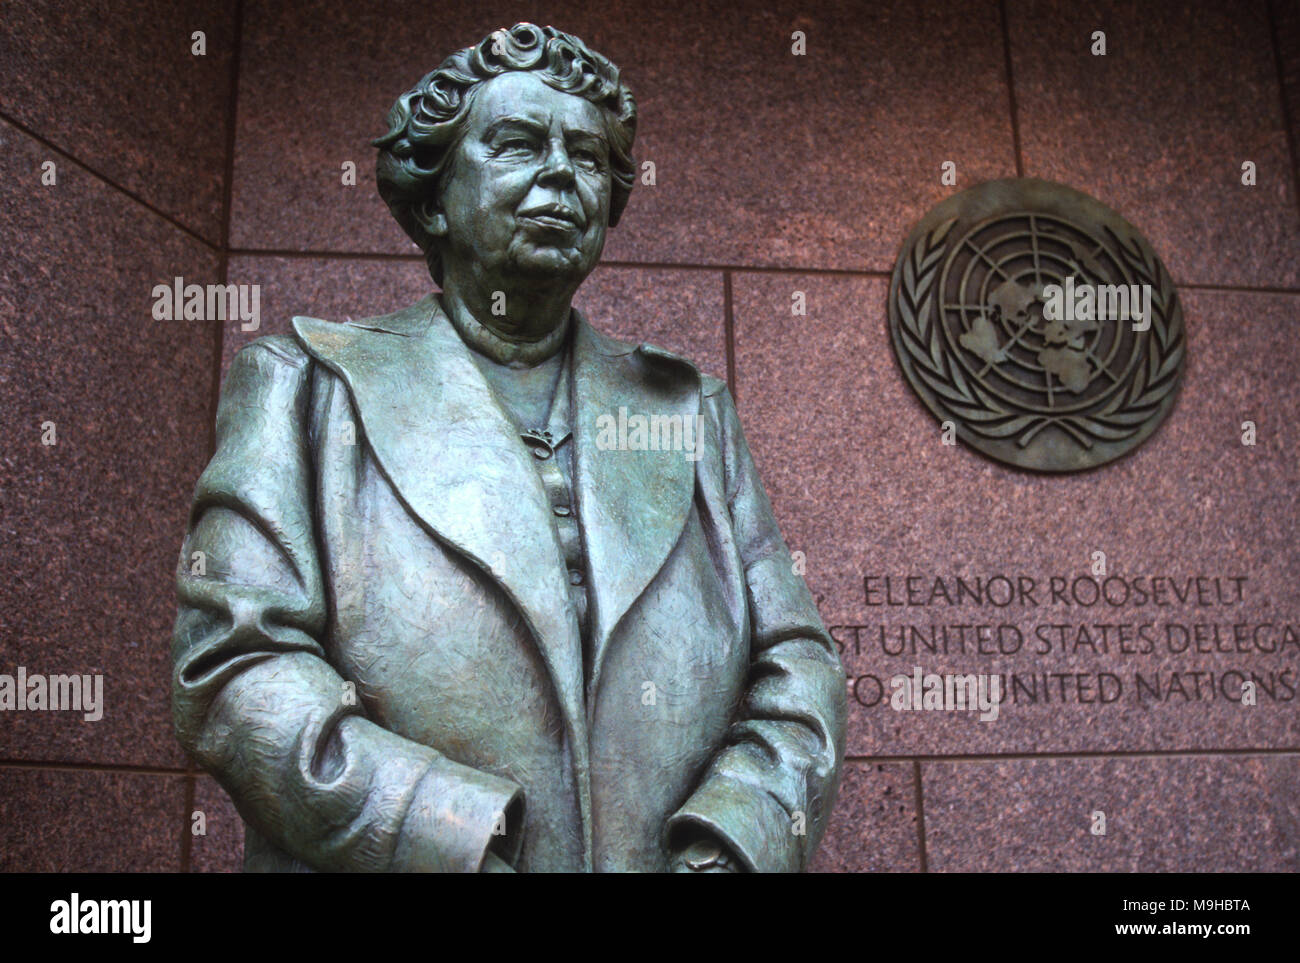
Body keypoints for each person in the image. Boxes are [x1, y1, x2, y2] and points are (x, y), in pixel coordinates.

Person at [172, 22, 845, 872]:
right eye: (519, 144)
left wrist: (733, 839)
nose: (562, 174)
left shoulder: (690, 410)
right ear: (434, 200)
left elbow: (798, 662)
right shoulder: (304, 386)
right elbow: (233, 665)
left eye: (589, 158)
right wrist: (445, 836)